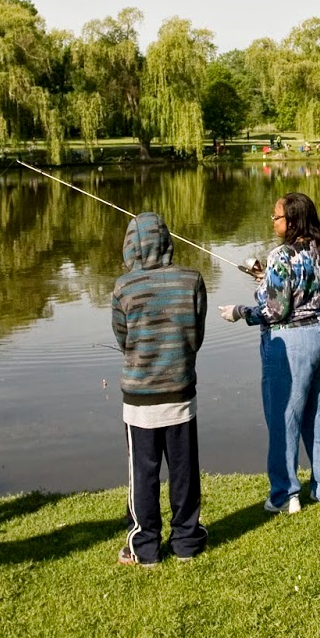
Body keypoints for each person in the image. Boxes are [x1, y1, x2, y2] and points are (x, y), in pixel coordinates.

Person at [218, 192, 320, 514]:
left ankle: (285, 495)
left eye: (276, 217)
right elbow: (307, 291)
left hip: (293, 341)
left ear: (293, 221)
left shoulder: (281, 255)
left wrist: (240, 312)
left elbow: (276, 311)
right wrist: (265, 280)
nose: (273, 222)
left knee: (284, 417)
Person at [111, 212, 207, 566]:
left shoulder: (124, 287)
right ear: (167, 241)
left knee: (143, 474)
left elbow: (123, 339)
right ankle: (186, 541)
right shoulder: (192, 280)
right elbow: (195, 335)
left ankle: (145, 547)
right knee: (184, 471)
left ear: (131, 246)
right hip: (181, 392)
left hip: (140, 399)